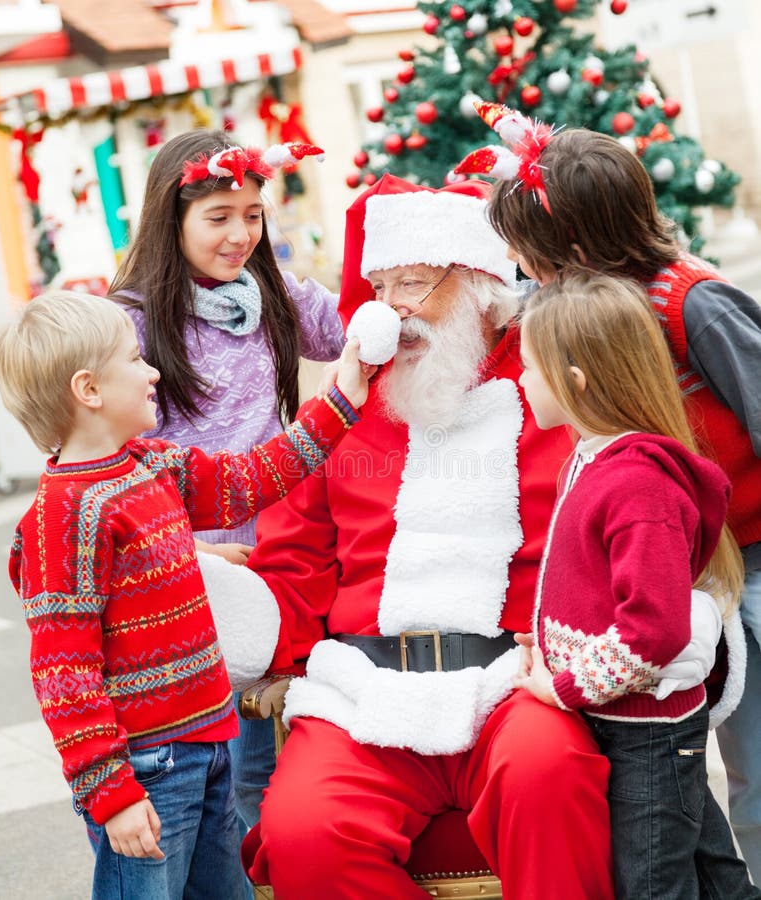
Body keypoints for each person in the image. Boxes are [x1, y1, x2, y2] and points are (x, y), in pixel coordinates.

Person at [229, 173, 614, 899]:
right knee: (303, 833)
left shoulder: (549, 389)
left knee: (549, 779)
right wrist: (228, 613)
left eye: (412, 283)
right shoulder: (340, 412)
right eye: (380, 286)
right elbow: (292, 561)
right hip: (365, 691)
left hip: (513, 683)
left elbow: (616, 520)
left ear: (477, 283)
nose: (389, 309)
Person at [0, 290, 368, 900]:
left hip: (207, 744)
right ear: (88, 390)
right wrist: (111, 795)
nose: (153, 373)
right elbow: (65, 671)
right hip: (145, 772)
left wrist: (339, 403)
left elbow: (248, 481)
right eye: (135, 361)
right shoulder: (62, 518)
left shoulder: (150, 466)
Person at [476, 112, 761, 882]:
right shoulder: (589, 320)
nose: (520, 271)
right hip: (700, 564)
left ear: (573, 251)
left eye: (526, 257)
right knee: (737, 776)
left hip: (753, 557)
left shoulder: (691, 304)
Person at [109, 128, 346, 878]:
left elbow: (353, 331)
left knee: (298, 732)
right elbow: (104, 456)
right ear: (169, 218)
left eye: (252, 214)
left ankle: (295, 872)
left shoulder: (274, 288)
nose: (240, 233)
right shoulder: (132, 320)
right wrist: (193, 549)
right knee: (230, 762)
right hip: (194, 570)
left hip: (285, 547)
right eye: (218, 217)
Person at [512, 270, 758, 899]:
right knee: (713, 870)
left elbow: (654, 627)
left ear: (575, 380)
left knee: (652, 883)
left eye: (529, 368)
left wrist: (563, 685)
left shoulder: (637, 484)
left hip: (645, 736)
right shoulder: (592, 456)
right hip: (632, 723)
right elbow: (594, 583)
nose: (519, 380)